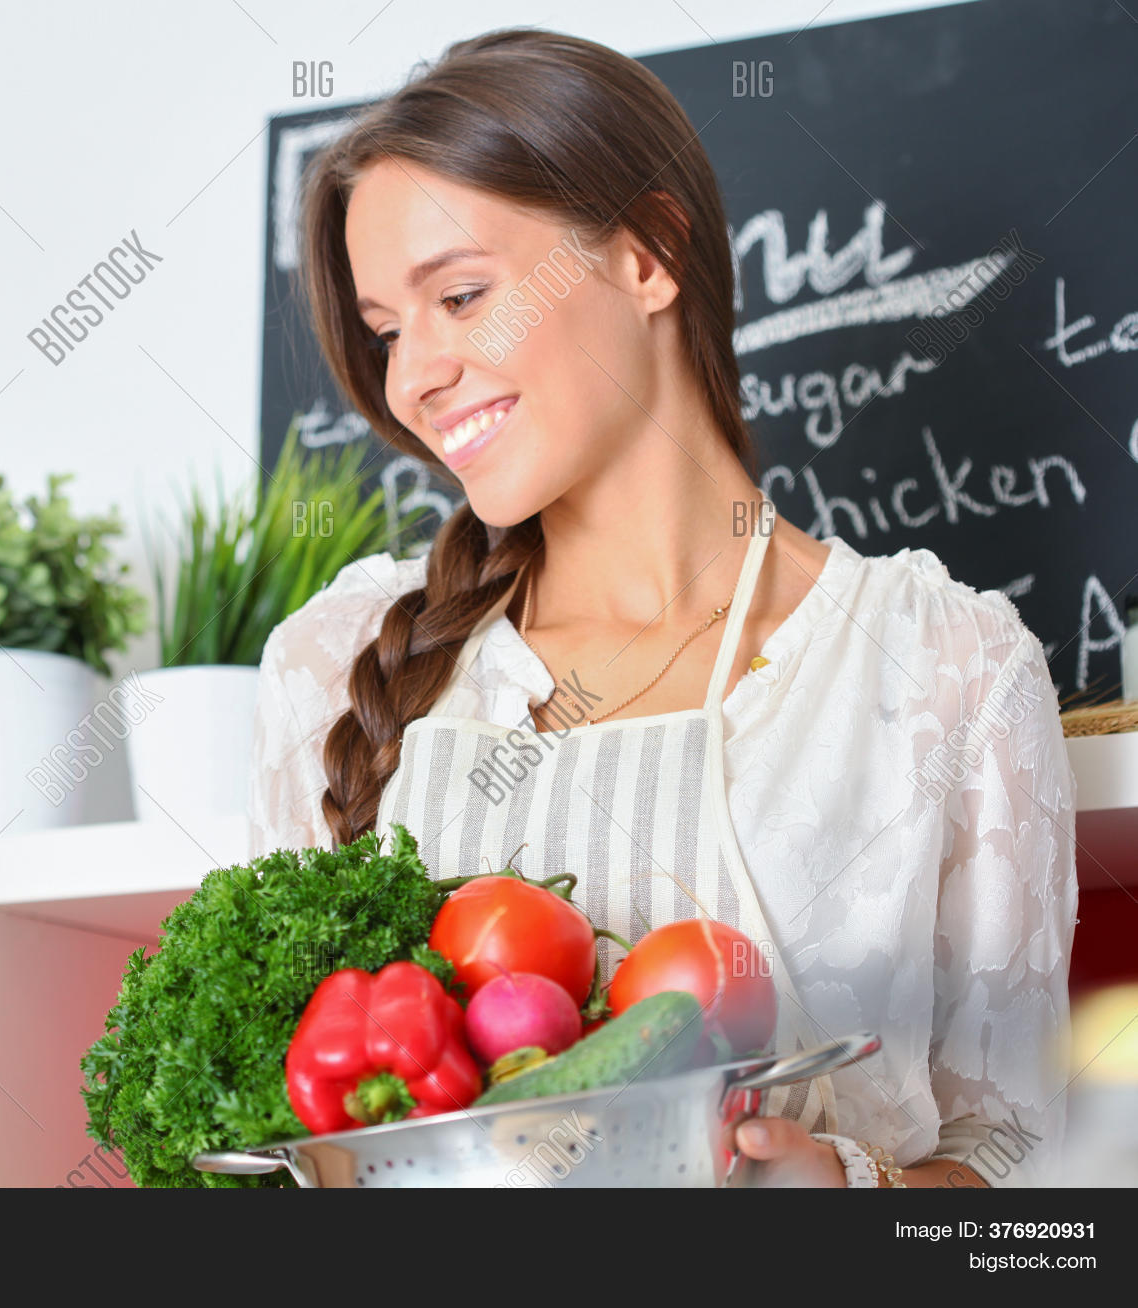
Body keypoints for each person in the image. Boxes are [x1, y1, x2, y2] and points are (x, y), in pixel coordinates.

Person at [247, 27, 1077, 1188]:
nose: (410, 375)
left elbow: (1028, 1178)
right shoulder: (336, 668)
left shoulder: (945, 667)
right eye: (388, 329)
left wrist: (853, 1198)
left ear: (647, 255)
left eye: (463, 295)